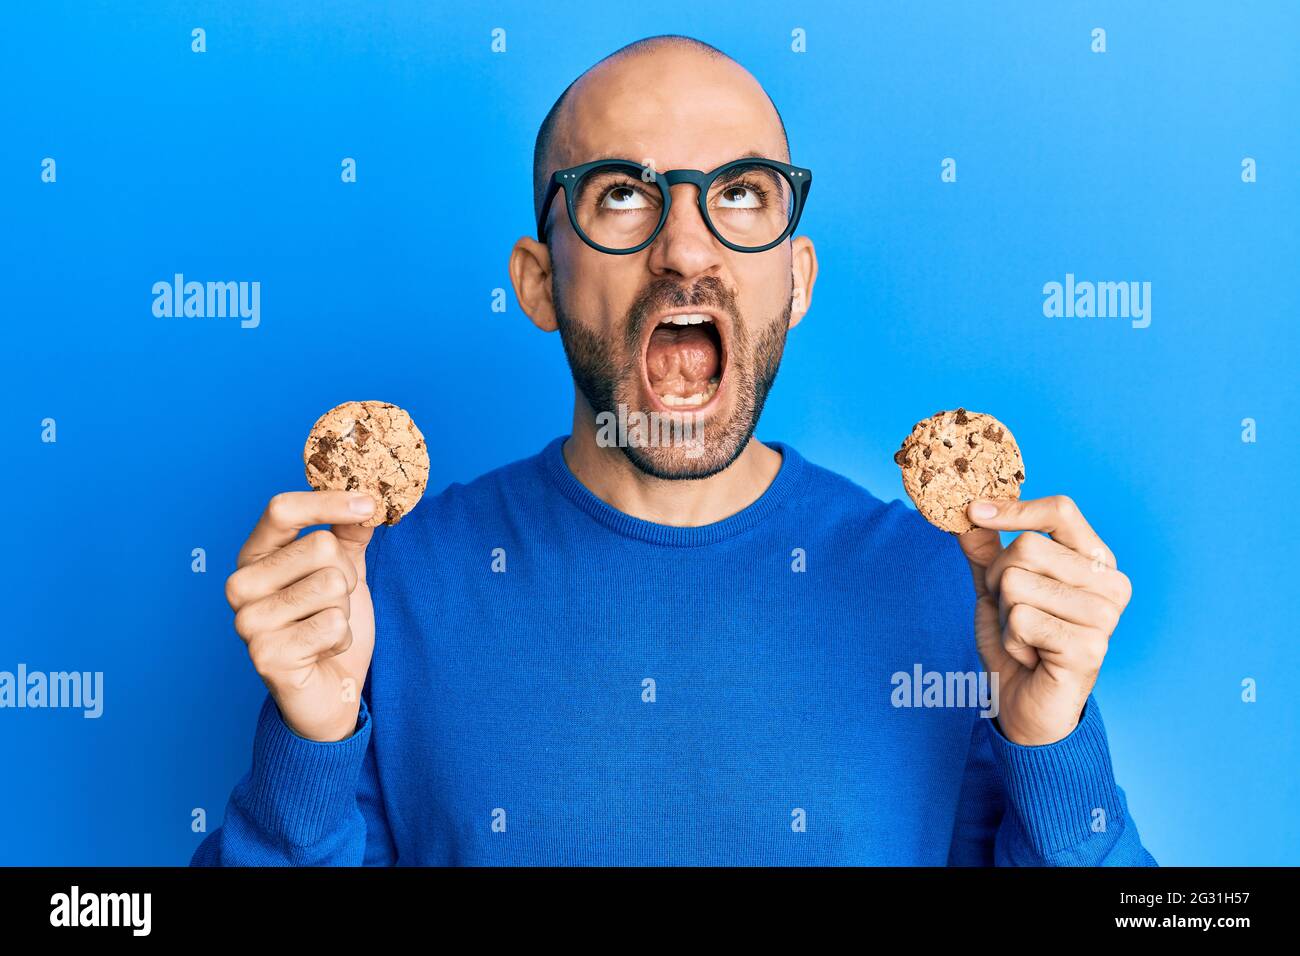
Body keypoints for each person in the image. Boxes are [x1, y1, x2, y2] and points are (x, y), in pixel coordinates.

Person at [193, 35, 1156, 866]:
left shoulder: (954, 595)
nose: (687, 249)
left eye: (740, 193)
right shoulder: (389, 592)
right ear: (537, 282)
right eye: (621, 196)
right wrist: (310, 748)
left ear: (796, 277)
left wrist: (1051, 741)